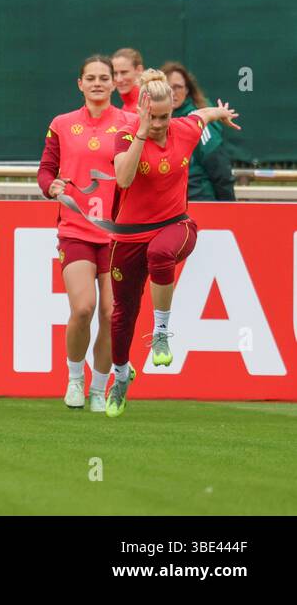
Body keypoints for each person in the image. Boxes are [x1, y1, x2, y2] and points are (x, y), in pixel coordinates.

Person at [104, 70, 238, 417]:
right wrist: (141, 133)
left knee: (161, 253)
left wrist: (221, 113)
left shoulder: (184, 129)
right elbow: (123, 178)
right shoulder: (125, 136)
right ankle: (120, 376)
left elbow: (201, 115)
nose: (162, 123)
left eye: (166, 116)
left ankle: (161, 332)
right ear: (143, 111)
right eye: (155, 116)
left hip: (175, 224)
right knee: (122, 315)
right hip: (129, 234)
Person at [38, 55, 132, 411]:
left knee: (111, 313)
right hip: (76, 229)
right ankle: (75, 379)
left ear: (113, 83)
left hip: (118, 232)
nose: (97, 83)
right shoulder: (62, 124)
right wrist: (52, 187)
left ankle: (99, 387)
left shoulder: (130, 122)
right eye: (90, 77)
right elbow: (46, 170)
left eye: (103, 77)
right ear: (80, 83)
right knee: (83, 308)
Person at [161, 61, 236, 202]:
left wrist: (230, 207)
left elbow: (219, 167)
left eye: (178, 87)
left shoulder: (199, 117)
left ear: (187, 89)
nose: (173, 93)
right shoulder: (156, 119)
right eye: (168, 88)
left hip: (199, 199)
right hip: (170, 203)